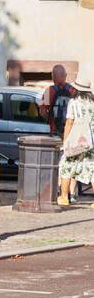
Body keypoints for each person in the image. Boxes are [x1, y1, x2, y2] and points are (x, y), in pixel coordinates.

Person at [57, 78, 94, 207]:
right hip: (91, 141)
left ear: (77, 90)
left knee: (67, 166)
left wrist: (65, 141)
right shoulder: (93, 103)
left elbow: (69, 122)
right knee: (92, 169)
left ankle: (64, 197)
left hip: (76, 142)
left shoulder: (74, 102)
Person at [41, 64, 76, 136]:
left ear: (53, 77)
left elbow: (43, 112)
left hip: (55, 132)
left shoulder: (48, 91)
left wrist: (51, 118)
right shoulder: (73, 90)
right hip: (70, 132)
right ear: (65, 75)